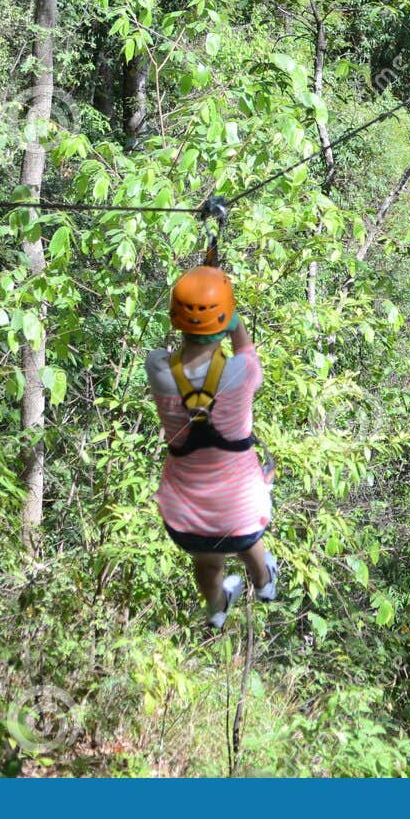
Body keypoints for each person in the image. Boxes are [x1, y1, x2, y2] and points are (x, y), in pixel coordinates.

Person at [147, 265, 278, 629]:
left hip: (185, 512)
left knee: (207, 562)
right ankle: (264, 583)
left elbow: (167, 352)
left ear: (176, 320)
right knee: (246, 535)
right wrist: (234, 323)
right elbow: (245, 349)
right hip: (240, 506)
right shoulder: (242, 372)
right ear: (225, 320)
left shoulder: (158, 370)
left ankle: (217, 606)